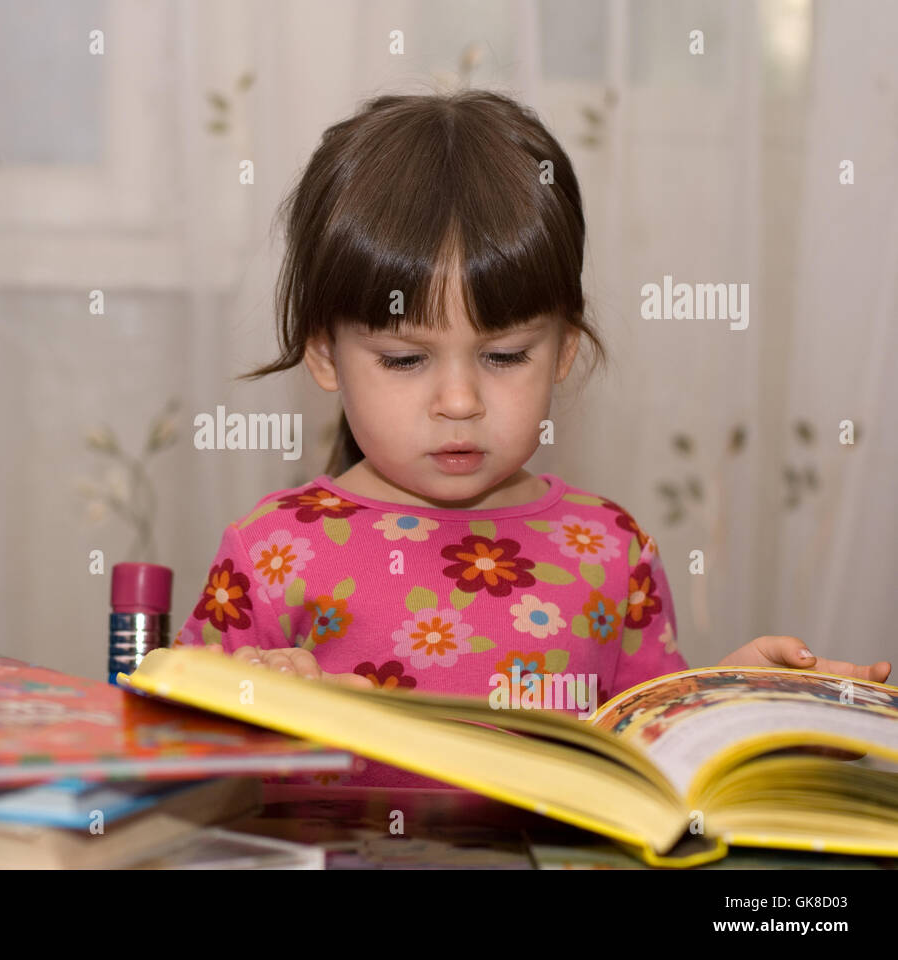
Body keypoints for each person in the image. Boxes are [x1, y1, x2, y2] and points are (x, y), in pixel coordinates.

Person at [173, 89, 890, 788]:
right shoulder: (272, 551)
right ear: (325, 354)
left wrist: (742, 715)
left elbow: (650, 767)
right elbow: (165, 756)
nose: (459, 401)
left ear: (564, 350)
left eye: (505, 355)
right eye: (404, 359)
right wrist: (252, 709)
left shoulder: (611, 549)